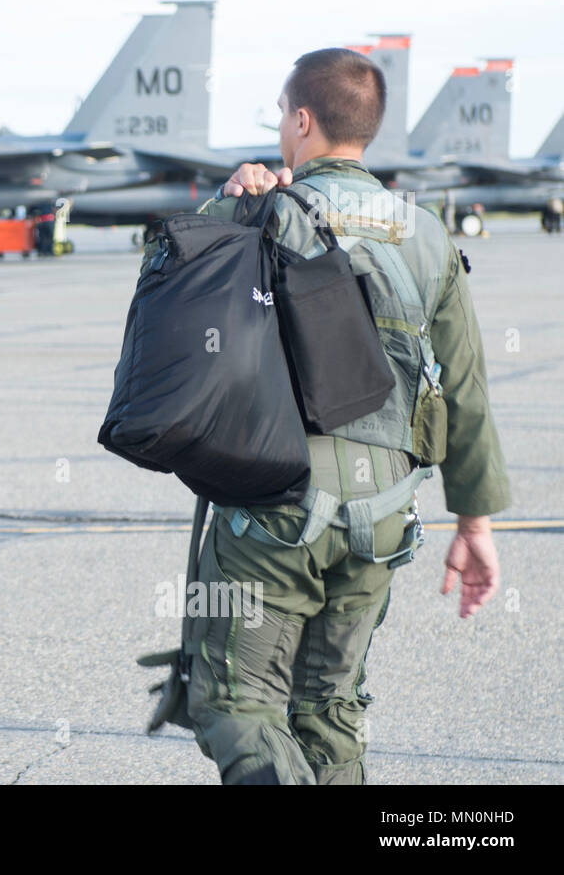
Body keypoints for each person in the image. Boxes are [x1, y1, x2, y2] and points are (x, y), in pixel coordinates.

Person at [179, 48, 511, 784]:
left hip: (273, 508)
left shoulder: (260, 208)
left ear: (303, 120)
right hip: (385, 514)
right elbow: (464, 389)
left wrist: (229, 201)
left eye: (280, 116)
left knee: (234, 701)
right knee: (329, 706)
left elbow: (170, 280)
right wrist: (476, 525)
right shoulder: (425, 234)